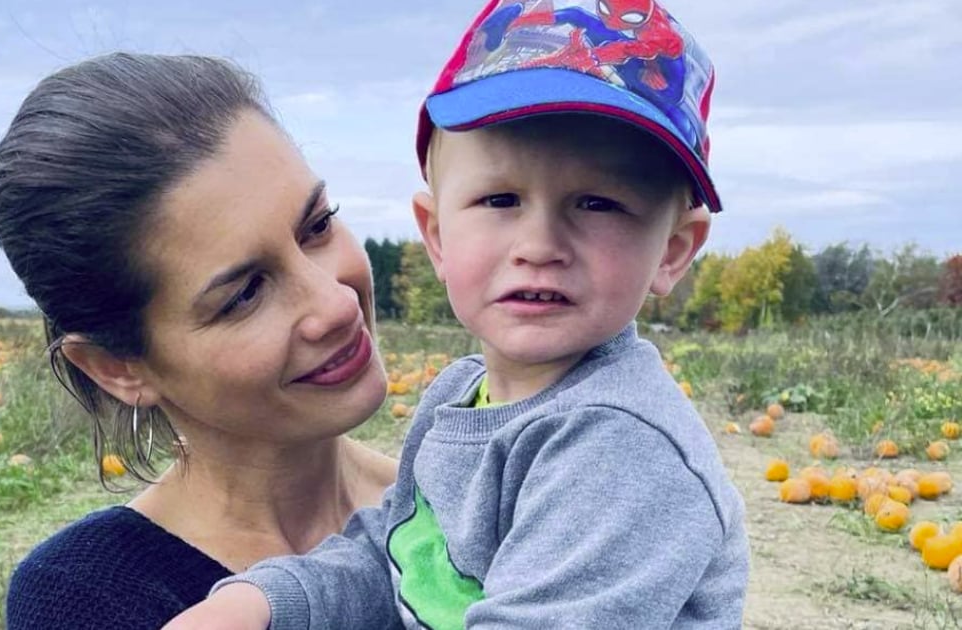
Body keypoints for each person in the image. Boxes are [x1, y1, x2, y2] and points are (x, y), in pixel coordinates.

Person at [163, 0, 749, 627]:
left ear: (673, 250)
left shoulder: (623, 448)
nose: (539, 245)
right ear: (437, 236)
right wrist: (263, 603)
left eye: (598, 203)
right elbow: (399, 554)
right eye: (500, 199)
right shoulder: (460, 395)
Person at [0, 52, 398, 629]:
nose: (336, 303)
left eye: (318, 226)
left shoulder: (484, 501)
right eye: (245, 294)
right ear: (116, 367)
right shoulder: (89, 600)